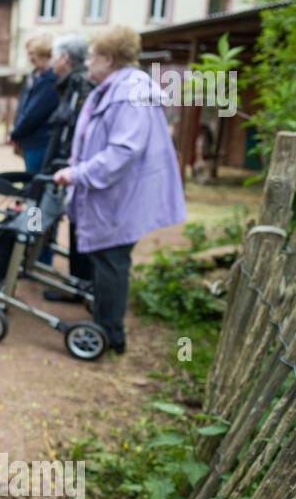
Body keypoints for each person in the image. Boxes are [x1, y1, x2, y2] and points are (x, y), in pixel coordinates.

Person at [52, 26, 186, 354]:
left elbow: (123, 151)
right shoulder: (116, 88)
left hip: (122, 195)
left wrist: (78, 173)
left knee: (112, 260)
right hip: (114, 194)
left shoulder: (130, 93)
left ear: (109, 59)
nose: (88, 63)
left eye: (94, 56)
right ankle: (104, 322)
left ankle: (109, 335)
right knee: (106, 258)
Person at [42, 34, 96, 303]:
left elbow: (75, 129)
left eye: (54, 56)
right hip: (71, 168)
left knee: (79, 225)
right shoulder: (70, 86)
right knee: (74, 223)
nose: (52, 63)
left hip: (77, 169)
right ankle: (79, 282)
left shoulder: (81, 87)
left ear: (64, 58)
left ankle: (82, 286)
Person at [10, 34, 58, 174]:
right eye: (28, 53)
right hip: (28, 141)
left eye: (32, 53)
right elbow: (22, 107)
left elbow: (34, 113)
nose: (30, 57)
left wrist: (15, 133)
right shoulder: (33, 76)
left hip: (40, 143)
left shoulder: (51, 80)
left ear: (43, 53)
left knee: (35, 183)